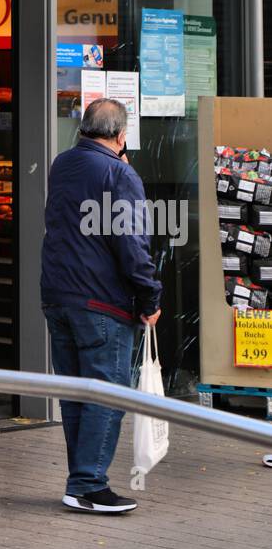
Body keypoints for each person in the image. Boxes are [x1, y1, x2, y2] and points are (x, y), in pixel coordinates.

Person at [42, 97, 162, 516]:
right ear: (120, 134)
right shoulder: (118, 173)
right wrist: (149, 296)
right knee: (106, 393)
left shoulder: (63, 164)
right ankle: (89, 485)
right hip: (102, 302)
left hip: (59, 296)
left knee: (77, 393)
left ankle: (80, 481)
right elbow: (132, 244)